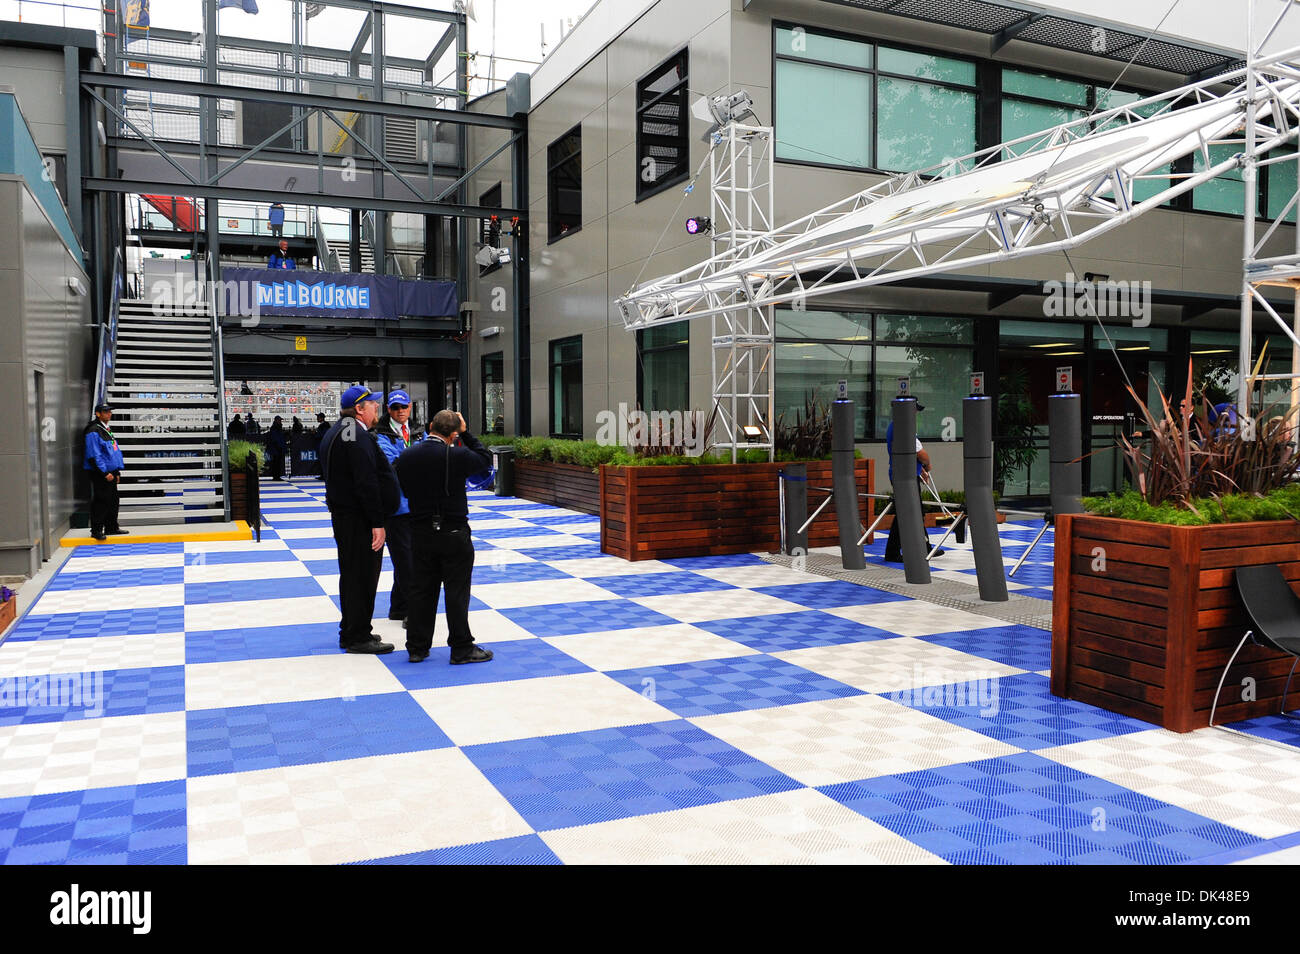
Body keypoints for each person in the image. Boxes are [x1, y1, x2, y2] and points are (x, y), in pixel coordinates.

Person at [395, 410, 494, 665]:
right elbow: (484, 458)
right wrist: (466, 432)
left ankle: (417, 647)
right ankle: (461, 647)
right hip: (453, 531)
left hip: (419, 531)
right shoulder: (458, 454)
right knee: (456, 592)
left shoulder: (406, 456)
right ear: (453, 434)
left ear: (429, 426)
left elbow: (399, 486)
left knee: (421, 591)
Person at [319, 385, 400, 654]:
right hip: (358, 521)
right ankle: (356, 636)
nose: (377, 407)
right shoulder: (354, 434)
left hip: (348, 518)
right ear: (359, 409)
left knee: (355, 574)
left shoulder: (340, 429)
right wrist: (377, 522)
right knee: (361, 577)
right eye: (373, 404)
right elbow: (365, 482)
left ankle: (356, 629)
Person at [374, 390, 419, 624]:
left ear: (410, 407)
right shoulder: (380, 435)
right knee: (407, 561)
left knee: (410, 559)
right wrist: (420, 459)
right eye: (395, 408)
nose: (400, 411)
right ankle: (413, 612)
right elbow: (393, 467)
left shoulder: (418, 431)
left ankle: (399, 608)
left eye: (403, 407)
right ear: (388, 410)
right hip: (395, 508)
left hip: (417, 506)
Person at [883, 403, 944, 563]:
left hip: (903, 473)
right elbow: (920, 454)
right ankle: (896, 551)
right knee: (911, 512)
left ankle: (923, 547)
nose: (916, 414)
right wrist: (927, 465)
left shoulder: (894, 426)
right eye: (915, 411)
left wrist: (920, 470)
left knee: (910, 511)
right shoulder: (904, 428)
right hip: (906, 476)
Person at [83, 402, 127, 541]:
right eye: (106, 411)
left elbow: (113, 452)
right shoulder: (93, 430)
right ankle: (96, 530)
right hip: (100, 473)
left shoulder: (105, 429)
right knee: (101, 501)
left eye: (110, 411)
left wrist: (116, 471)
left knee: (113, 500)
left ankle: (111, 527)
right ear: (98, 414)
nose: (109, 414)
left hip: (111, 471)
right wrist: (104, 473)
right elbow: (94, 455)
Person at [266, 416, 288, 481]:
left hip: (277, 448)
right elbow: (275, 438)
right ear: (276, 420)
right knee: (276, 463)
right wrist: (279, 447)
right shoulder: (275, 428)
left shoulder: (276, 427)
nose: (280, 422)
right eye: (279, 420)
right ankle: (276, 476)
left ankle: (276, 476)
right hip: (276, 448)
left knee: (277, 463)